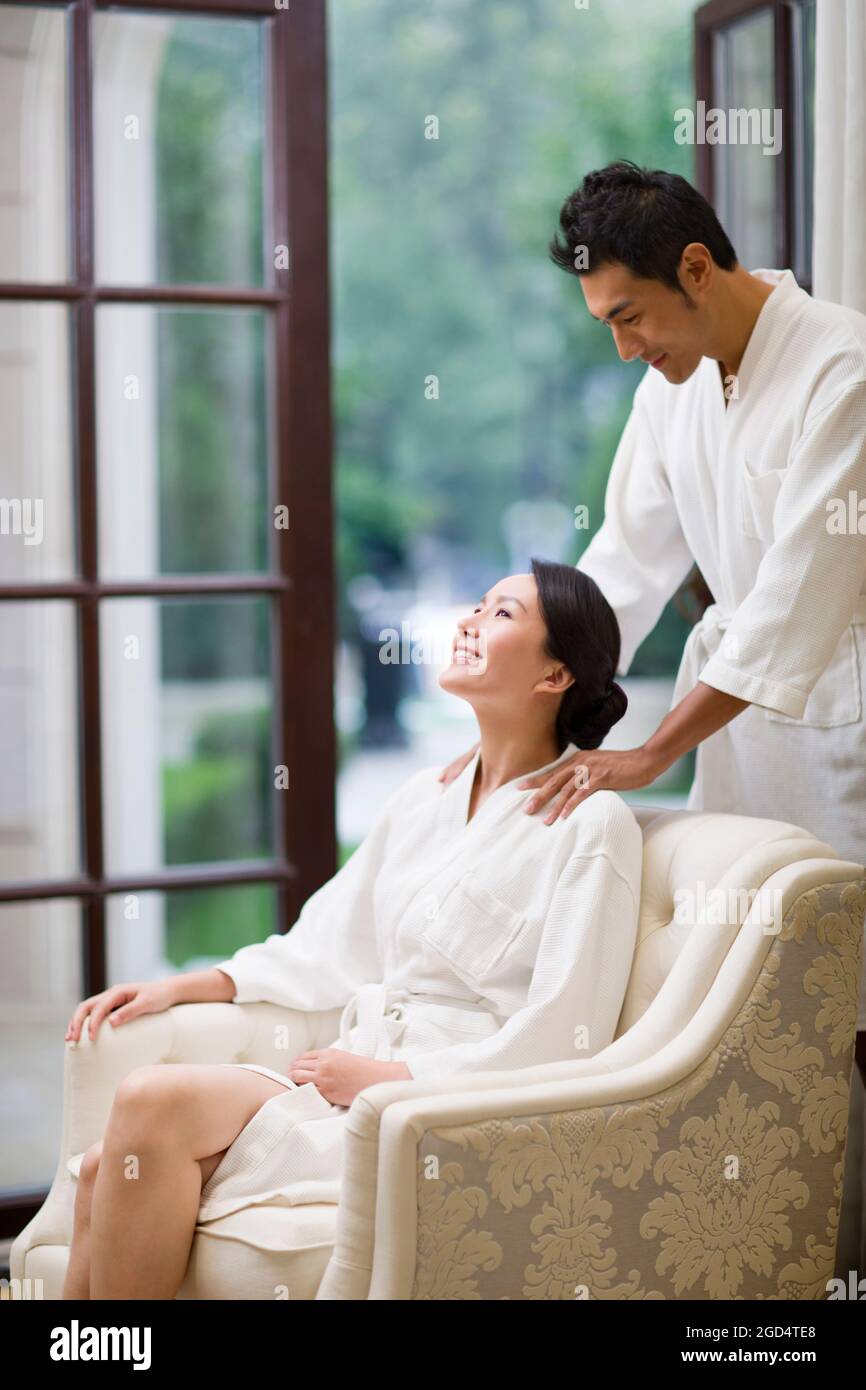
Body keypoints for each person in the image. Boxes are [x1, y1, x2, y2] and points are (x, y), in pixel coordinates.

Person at [60, 559, 643, 1299]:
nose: (469, 621)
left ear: (555, 675)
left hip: (439, 1110)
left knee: (141, 1120)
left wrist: (393, 1079)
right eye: (477, 604)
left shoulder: (589, 823)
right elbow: (328, 947)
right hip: (347, 1074)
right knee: (107, 1164)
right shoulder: (422, 799)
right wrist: (182, 985)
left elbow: (566, 1032)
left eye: (502, 615)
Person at [439, 162, 866, 1093]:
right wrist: (525, 732)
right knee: (752, 1010)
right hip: (742, 743)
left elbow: (796, 607)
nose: (625, 349)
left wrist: (647, 756)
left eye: (629, 316)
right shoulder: (671, 389)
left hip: (845, 735)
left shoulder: (845, 372)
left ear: (699, 268)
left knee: (855, 1014)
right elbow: (618, 581)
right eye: (606, 326)